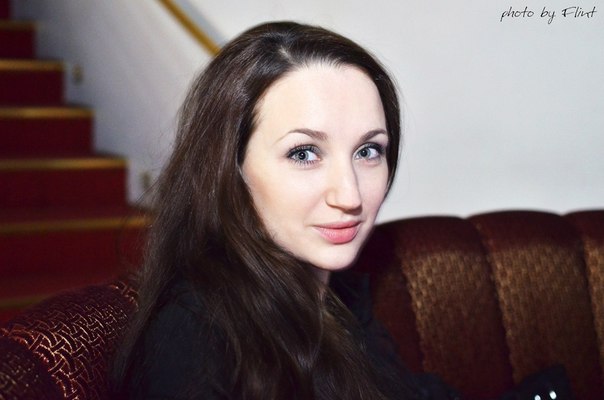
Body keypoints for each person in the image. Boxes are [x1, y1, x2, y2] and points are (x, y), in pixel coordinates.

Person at [111, 21, 458, 399]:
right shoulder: (197, 337)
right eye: (304, 153)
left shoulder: (337, 295)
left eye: (367, 150)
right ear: (231, 168)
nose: (350, 195)